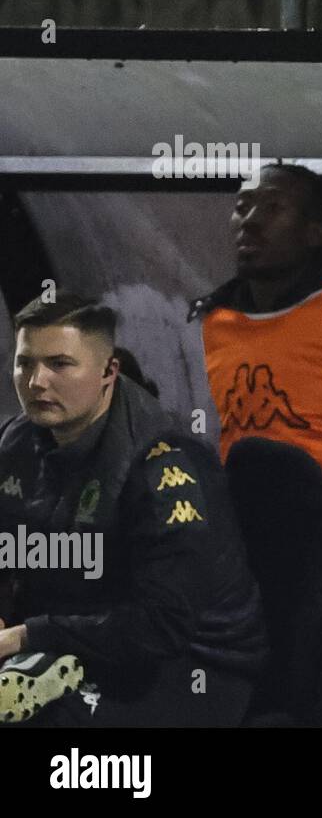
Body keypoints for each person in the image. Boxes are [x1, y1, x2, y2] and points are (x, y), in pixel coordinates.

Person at [0, 293, 265, 725]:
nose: (36, 381)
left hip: (189, 670)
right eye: (25, 363)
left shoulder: (164, 465)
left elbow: (163, 626)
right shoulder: (16, 443)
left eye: (59, 364)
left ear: (108, 371)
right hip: (80, 639)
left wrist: (29, 634)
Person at [189, 163, 322, 507]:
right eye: (242, 207)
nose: (249, 221)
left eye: (273, 207)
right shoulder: (212, 321)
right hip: (239, 538)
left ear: (314, 233)